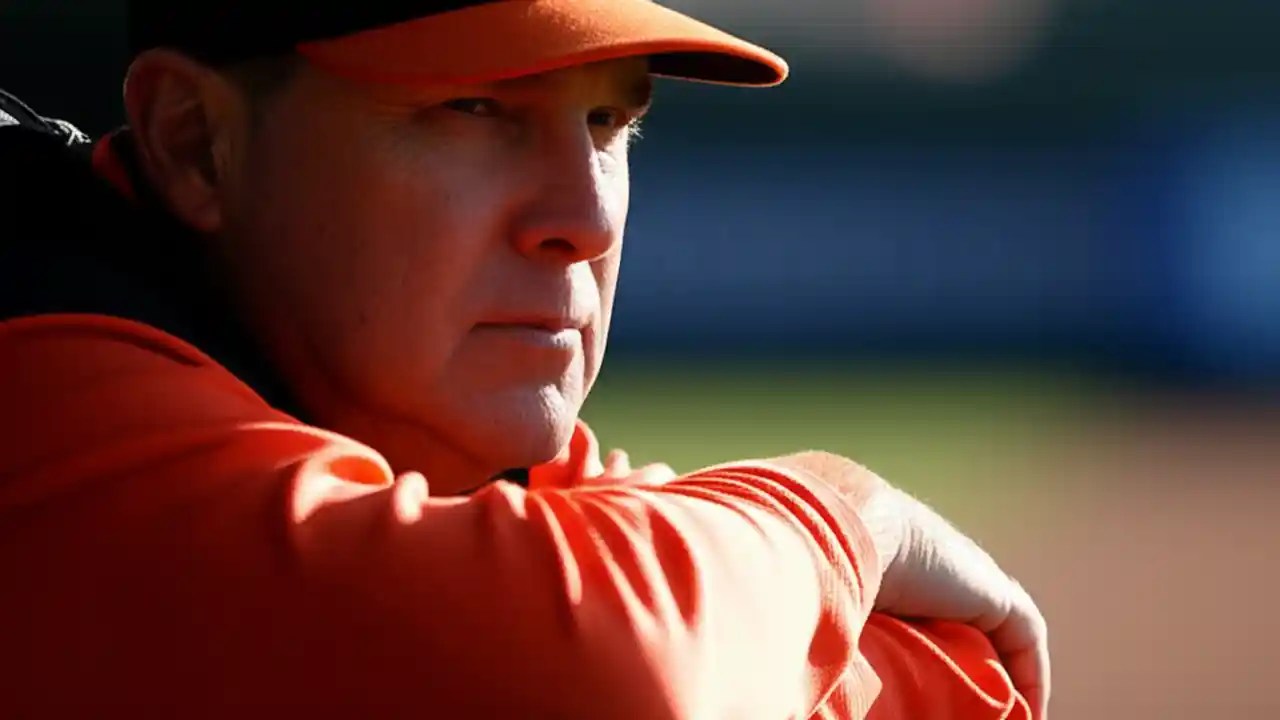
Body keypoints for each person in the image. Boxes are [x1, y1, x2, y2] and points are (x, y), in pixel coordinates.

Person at [0, 1, 1048, 717]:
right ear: (193, 142)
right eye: (475, 109)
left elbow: (959, 685)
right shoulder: (35, 378)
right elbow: (623, 678)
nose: (584, 218)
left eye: (606, 121)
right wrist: (844, 516)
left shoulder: (423, 424)